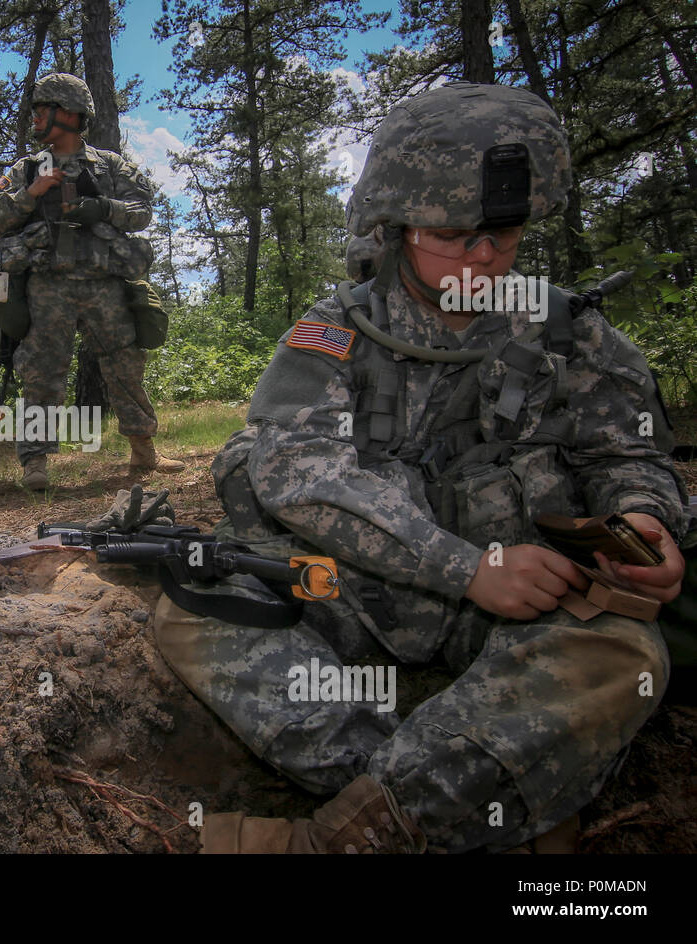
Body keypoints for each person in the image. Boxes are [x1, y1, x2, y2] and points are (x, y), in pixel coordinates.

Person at [152, 82, 689, 853]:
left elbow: (629, 452)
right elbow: (298, 474)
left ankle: (349, 837)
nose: (481, 256)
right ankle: (477, 791)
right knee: (197, 603)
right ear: (398, 225)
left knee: (625, 652)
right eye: (455, 234)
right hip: (354, 593)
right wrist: (469, 567)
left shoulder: (570, 335)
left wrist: (644, 519)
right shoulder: (334, 331)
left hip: (518, 614)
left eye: (500, 236)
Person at [0, 72, 184, 490]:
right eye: (35, 111)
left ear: (69, 114)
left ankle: (144, 450)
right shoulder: (26, 169)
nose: (35, 118)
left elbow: (143, 208)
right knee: (41, 371)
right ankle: (35, 463)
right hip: (47, 287)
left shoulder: (108, 165)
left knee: (125, 363)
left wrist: (103, 208)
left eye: (43, 110)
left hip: (103, 283)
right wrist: (32, 193)